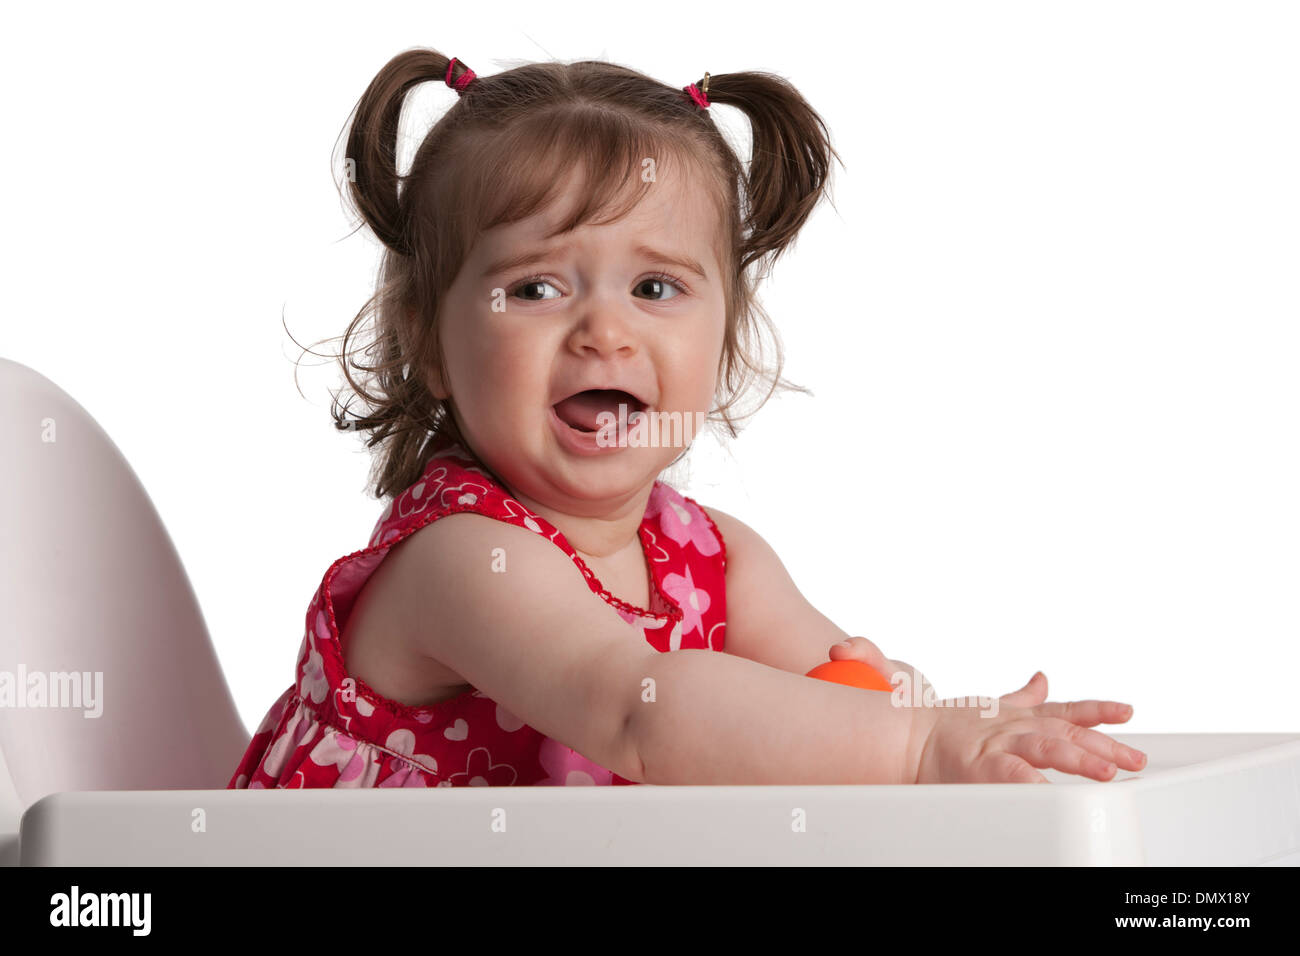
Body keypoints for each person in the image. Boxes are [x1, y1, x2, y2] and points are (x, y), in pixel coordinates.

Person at [229, 49, 1146, 789]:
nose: (606, 331)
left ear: (727, 332)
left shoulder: (718, 558)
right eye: (536, 287)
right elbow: (645, 714)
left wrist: (961, 723)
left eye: (656, 286)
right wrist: (914, 750)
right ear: (429, 340)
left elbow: (831, 707)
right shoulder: (464, 559)